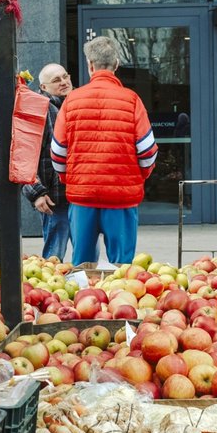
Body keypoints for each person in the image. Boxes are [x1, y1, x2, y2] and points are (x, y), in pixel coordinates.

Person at [51, 36, 157, 266]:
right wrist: (138, 177)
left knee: (82, 267)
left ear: (90, 65)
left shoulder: (72, 101)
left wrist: (69, 179)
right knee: (123, 269)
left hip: (82, 198)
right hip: (121, 198)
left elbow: (58, 152)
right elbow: (147, 151)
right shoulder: (131, 100)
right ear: (116, 64)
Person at [21, 63, 73, 261]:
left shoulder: (75, 105)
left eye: (65, 76)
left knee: (87, 260)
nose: (64, 82)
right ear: (43, 87)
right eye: (56, 80)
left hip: (79, 197)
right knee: (53, 259)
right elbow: (24, 157)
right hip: (54, 199)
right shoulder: (39, 111)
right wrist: (36, 193)